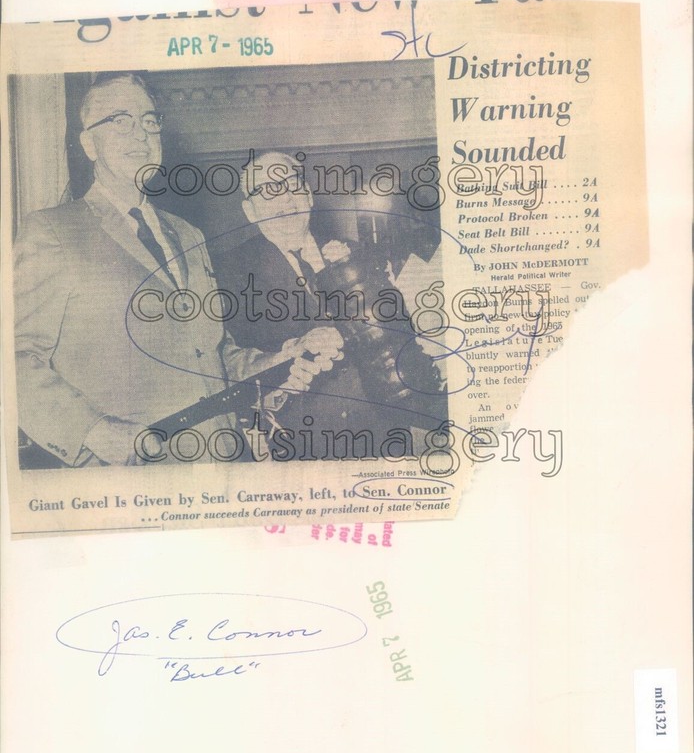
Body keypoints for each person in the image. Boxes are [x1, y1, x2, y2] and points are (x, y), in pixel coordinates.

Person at [13, 74, 341, 468]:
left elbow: (214, 355)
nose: (140, 135)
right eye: (120, 121)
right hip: (130, 482)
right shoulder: (51, 230)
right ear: (88, 143)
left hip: (224, 467)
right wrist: (92, 431)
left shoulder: (188, 235)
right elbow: (14, 357)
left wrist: (278, 362)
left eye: (149, 121)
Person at [211, 150, 421, 458]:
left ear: (308, 195)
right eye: (269, 190)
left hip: (382, 432)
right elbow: (227, 363)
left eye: (292, 184)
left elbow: (403, 327)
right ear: (250, 210)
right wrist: (293, 349)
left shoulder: (353, 251)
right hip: (300, 444)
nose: (286, 198)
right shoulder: (227, 271)